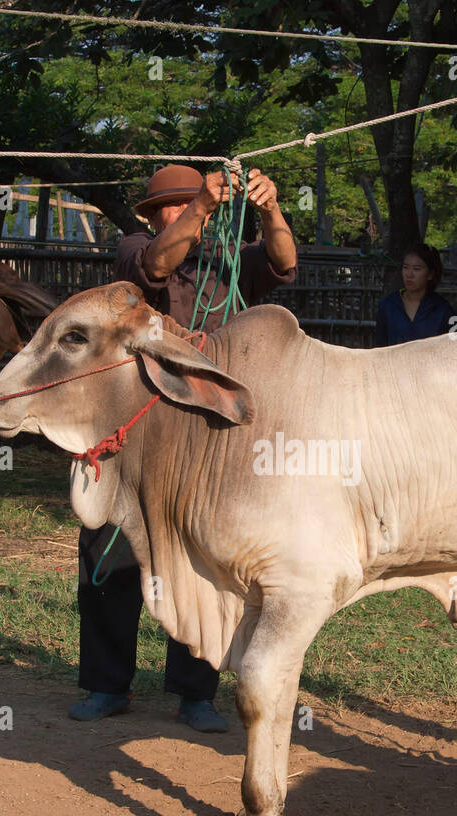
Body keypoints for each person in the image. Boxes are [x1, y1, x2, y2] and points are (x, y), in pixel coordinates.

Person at [72, 163, 297, 731]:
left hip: (204, 437)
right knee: (111, 547)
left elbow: (285, 263)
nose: (182, 211)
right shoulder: (132, 250)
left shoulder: (231, 260)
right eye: (172, 205)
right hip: (133, 432)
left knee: (202, 561)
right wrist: (200, 207)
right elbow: (155, 265)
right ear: (154, 216)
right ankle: (106, 685)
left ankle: (197, 692)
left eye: (189, 203)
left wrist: (270, 209)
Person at [373, 244, 455, 346]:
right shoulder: (388, 305)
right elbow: (379, 346)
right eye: (406, 267)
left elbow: (455, 347)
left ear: (430, 274)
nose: (409, 274)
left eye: (416, 269)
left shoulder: (443, 309)